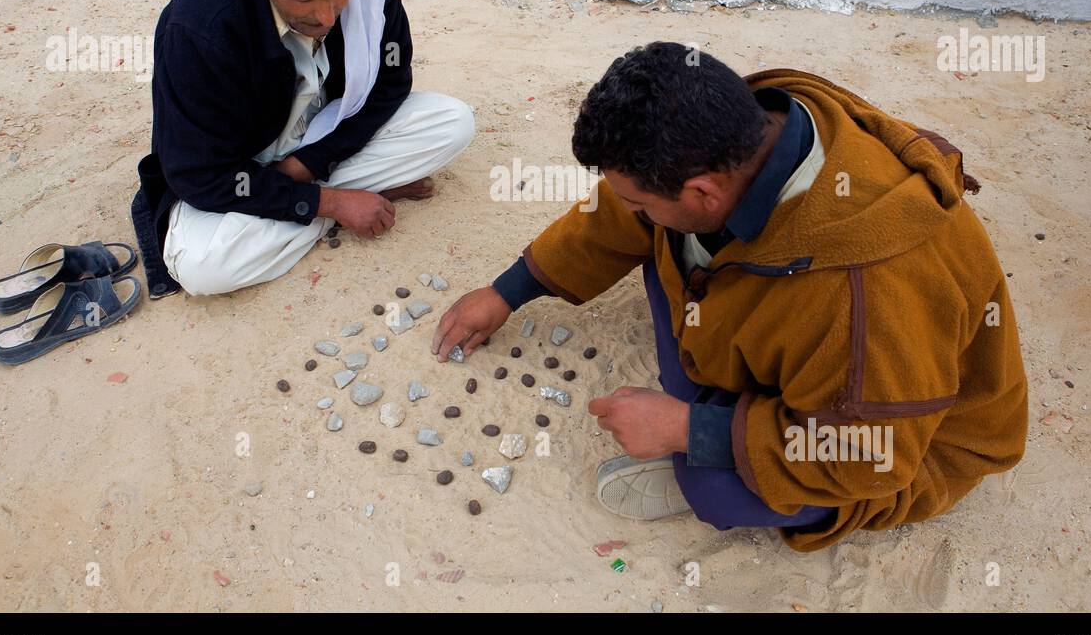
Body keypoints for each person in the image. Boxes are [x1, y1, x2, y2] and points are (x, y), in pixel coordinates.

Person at [431, 43, 1028, 551]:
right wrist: (509, 291)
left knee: (713, 491)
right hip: (790, 335)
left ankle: (721, 432)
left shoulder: (864, 294)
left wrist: (692, 430)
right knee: (659, 238)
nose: (628, 211)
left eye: (639, 202)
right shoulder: (746, 127)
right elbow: (616, 212)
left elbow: (869, 454)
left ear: (703, 192)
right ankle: (725, 406)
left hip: (884, 431)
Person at [131, 0, 474, 298]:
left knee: (453, 122)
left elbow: (390, 81)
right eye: (305, 0)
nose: (328, 18)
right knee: (203, 269)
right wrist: (327, 204)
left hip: (319, 134)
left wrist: (306, 165)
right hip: (242, 164)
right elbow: (199, 175)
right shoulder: (200, 29)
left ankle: (314, 203)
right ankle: (353, 196)